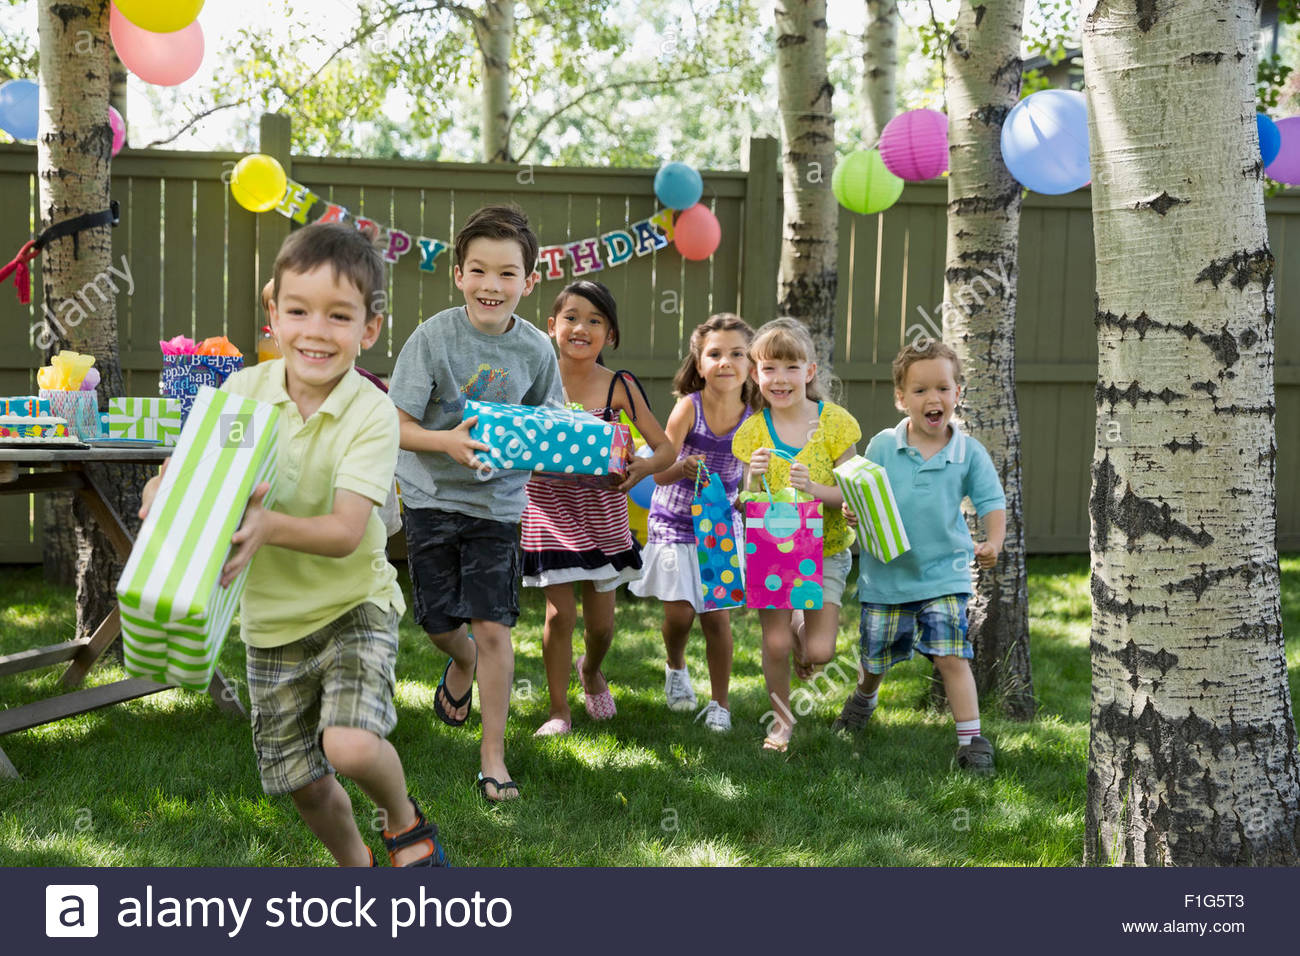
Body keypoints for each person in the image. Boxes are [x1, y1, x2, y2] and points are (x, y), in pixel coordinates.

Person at [140, 222, 446, 867]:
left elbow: (342, 533)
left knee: (351, 746)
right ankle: (355, 868)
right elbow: (190, 472)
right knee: (300, 782)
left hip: (353, 605)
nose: (315, 330)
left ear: (369, 329)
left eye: (339, 316)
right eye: (299, 310)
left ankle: (402, 818)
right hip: (270, 624)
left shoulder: (370, 412)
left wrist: (270, 527)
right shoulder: (241, 392)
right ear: (272, 311)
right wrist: (162, 492)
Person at [388, 204, 563, 802]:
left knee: (493, 624)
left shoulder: (538, 350)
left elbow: (550, 419)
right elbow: (395, 424)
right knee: (440, 623)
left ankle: (493, 758)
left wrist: (585, 442)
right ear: (459, 274)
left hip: (499, 505)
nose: (493, 285)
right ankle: (457, 663)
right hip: (430, 496)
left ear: (528, 282)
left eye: (507, 273)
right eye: (480, 271)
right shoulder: (433, 337)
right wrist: (447, 442)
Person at [835, 338, 1005, 774]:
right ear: (900, 399)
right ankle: (863, 699)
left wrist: (993, 542)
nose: (934, 398)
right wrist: (853, 512)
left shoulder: (968, 452)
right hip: (886, 575)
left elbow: (991, 502)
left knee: (952, 656)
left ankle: (972, 742)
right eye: (920, 390)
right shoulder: (882, 447)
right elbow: (864, 495)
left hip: (943, 575)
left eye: (943, 389)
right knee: (875, 658)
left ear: (957, 394)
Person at [522, 281, 675, 735]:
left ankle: (590, 670)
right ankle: (558, 711)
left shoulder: (619, 385)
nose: (580, 328)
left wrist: (642, 468)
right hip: (548, 511)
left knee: (602, 627)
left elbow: (664, 448)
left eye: (594, 320)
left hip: (604, 518)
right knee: (560, 615)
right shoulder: (533, 381)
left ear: (609, 335)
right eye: (570, 317)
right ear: (552, 326)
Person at [731, 318, 861, 752]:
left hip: (826, 550)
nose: (779, 378)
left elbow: (851, 490)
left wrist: (814, 489)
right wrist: (750, 481)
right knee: (775, 640)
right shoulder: (752, 433)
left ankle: (805, 627)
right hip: (775, 552)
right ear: (756, 375)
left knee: (820, 652)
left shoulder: (835, 424)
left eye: (790, 367)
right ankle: (781, 722)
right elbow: (745, 504)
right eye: (769, 368)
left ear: (809, 371)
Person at [629, 313, 758, 732]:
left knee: (716, 618)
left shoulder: (755, 415)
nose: (726, 362)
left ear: (751, 364)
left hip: (719, 523)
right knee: (681, 615)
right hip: (673, 521)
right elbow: (658, 470)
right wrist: (682, 467)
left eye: (737, 353)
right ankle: (676, 667)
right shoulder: (689, 408)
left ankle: (720, 704)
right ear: (699, 364)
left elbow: (754, 476)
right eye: (715, 354)